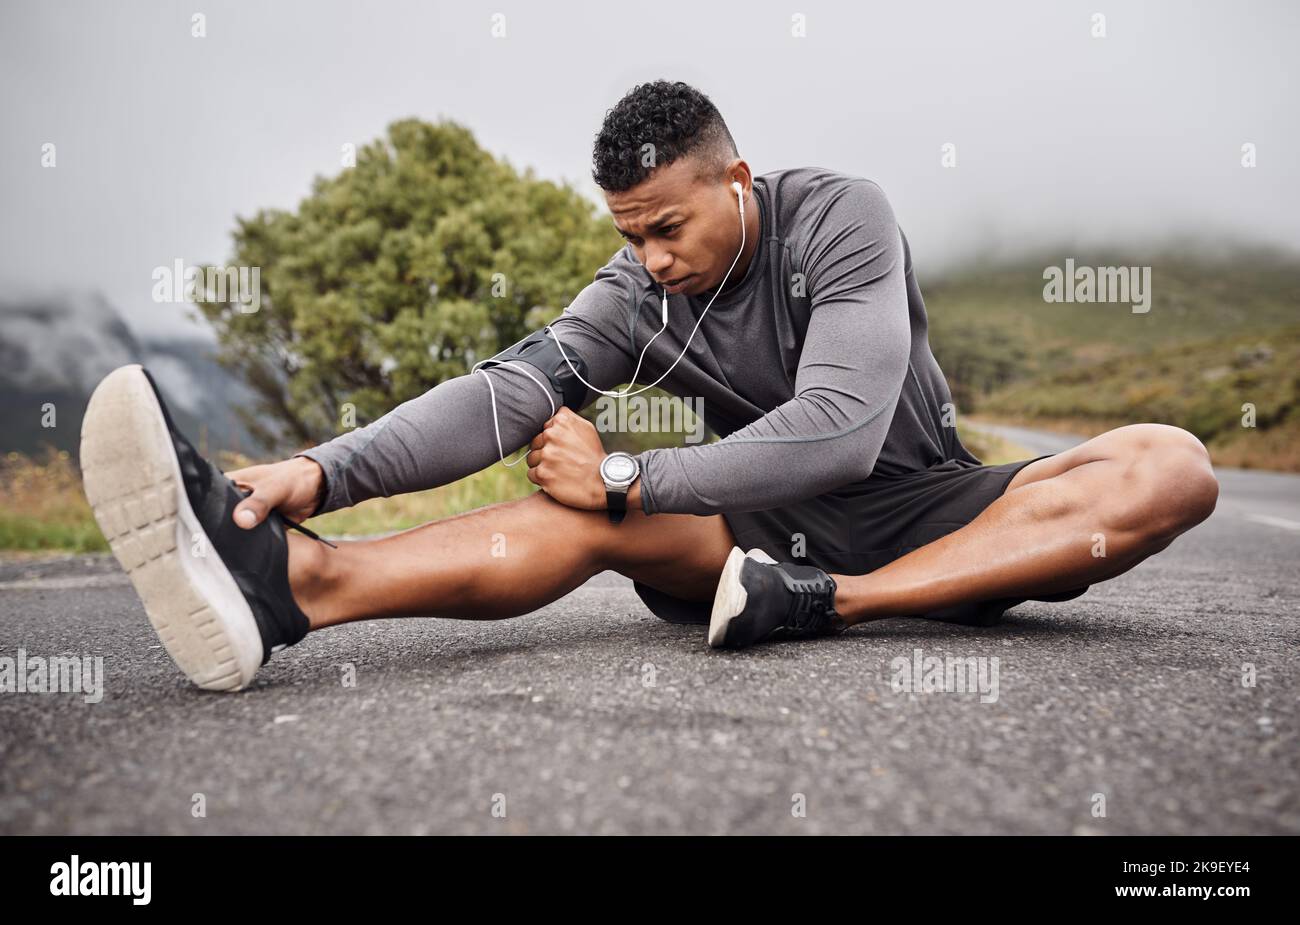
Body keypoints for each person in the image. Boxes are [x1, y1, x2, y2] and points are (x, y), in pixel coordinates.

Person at [79, 80, 1219, 691]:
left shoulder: (841, 217)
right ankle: (290, 589)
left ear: (735, 178)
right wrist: (323, 472)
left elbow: (839, 433)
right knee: (584, 511)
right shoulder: (634, 287)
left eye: (669, 226)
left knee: (1172, 463)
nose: (653, 259)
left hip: (927, 507)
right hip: (758, 534)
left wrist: (630, 465)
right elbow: (503, 392)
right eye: (631, 236)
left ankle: (832, 605)